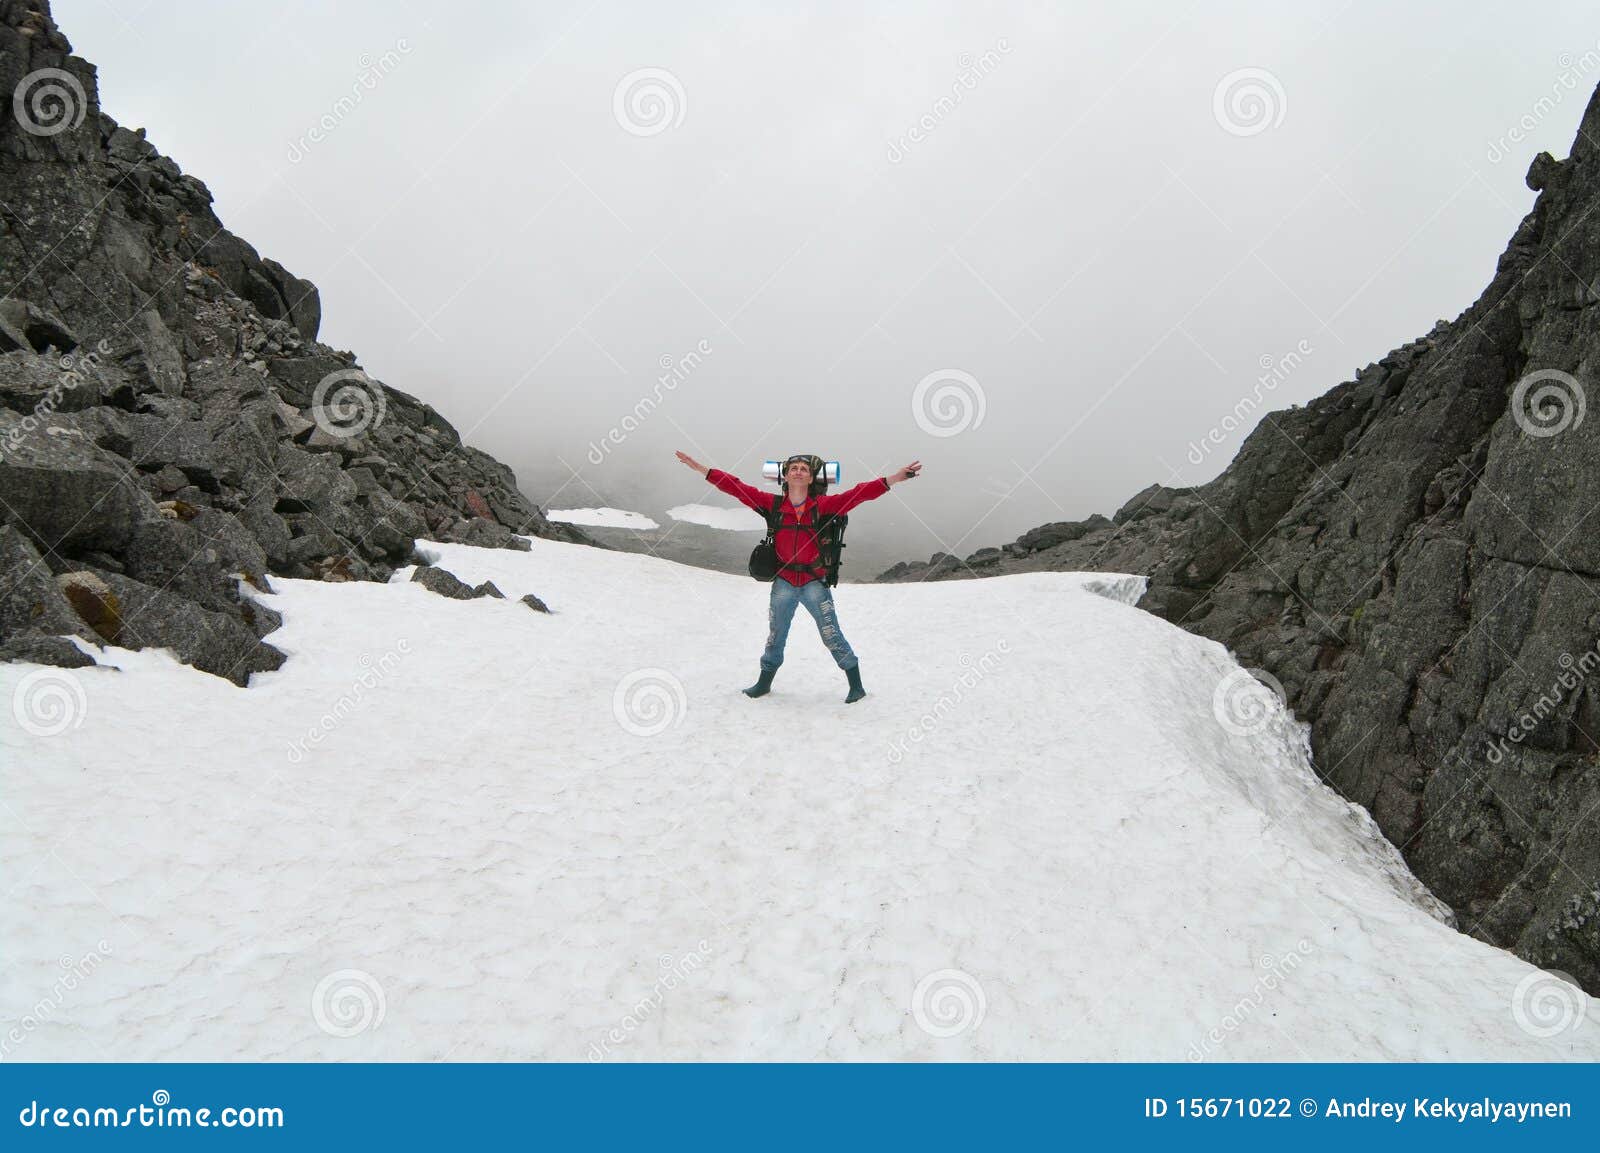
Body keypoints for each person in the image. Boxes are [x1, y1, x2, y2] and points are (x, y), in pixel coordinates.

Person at [674, 450, 922, 703]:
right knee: (776, 635)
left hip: (814, 582)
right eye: (794, 468)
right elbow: (736, 487)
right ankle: (763, 684)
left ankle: (856, 686)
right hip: (784, 582)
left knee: (831, 634)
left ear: (812, 478)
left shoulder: (824, 507)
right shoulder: (772, 505)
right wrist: (700, 468)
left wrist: (895, 478)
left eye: (804, 469)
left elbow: (859, 494)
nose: (799, 471)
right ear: (785, 475)